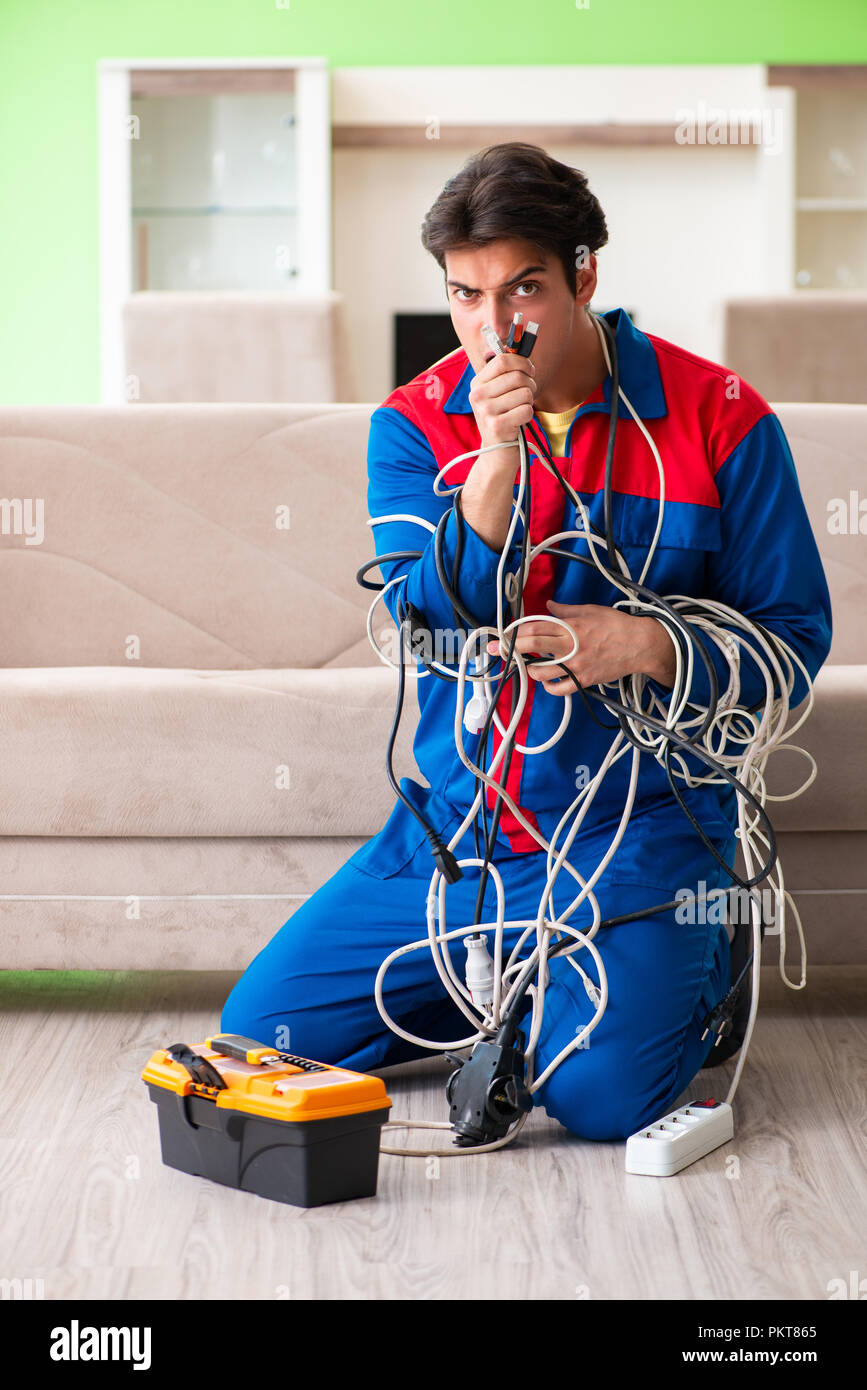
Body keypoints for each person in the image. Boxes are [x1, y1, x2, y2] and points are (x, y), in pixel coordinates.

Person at [220, 143, 832, 1142]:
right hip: (458, 831)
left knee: (598, 1102)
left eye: (524, 290)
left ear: (584, 275)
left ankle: (693, 960)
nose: (492, 328)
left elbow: (793, 645)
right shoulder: (415, 425)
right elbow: (422, 619)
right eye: (465, 296)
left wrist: (644, 643)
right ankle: (518, 980)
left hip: (644, 831)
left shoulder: (722, 419)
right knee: (260, 1041)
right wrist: (496, 463)